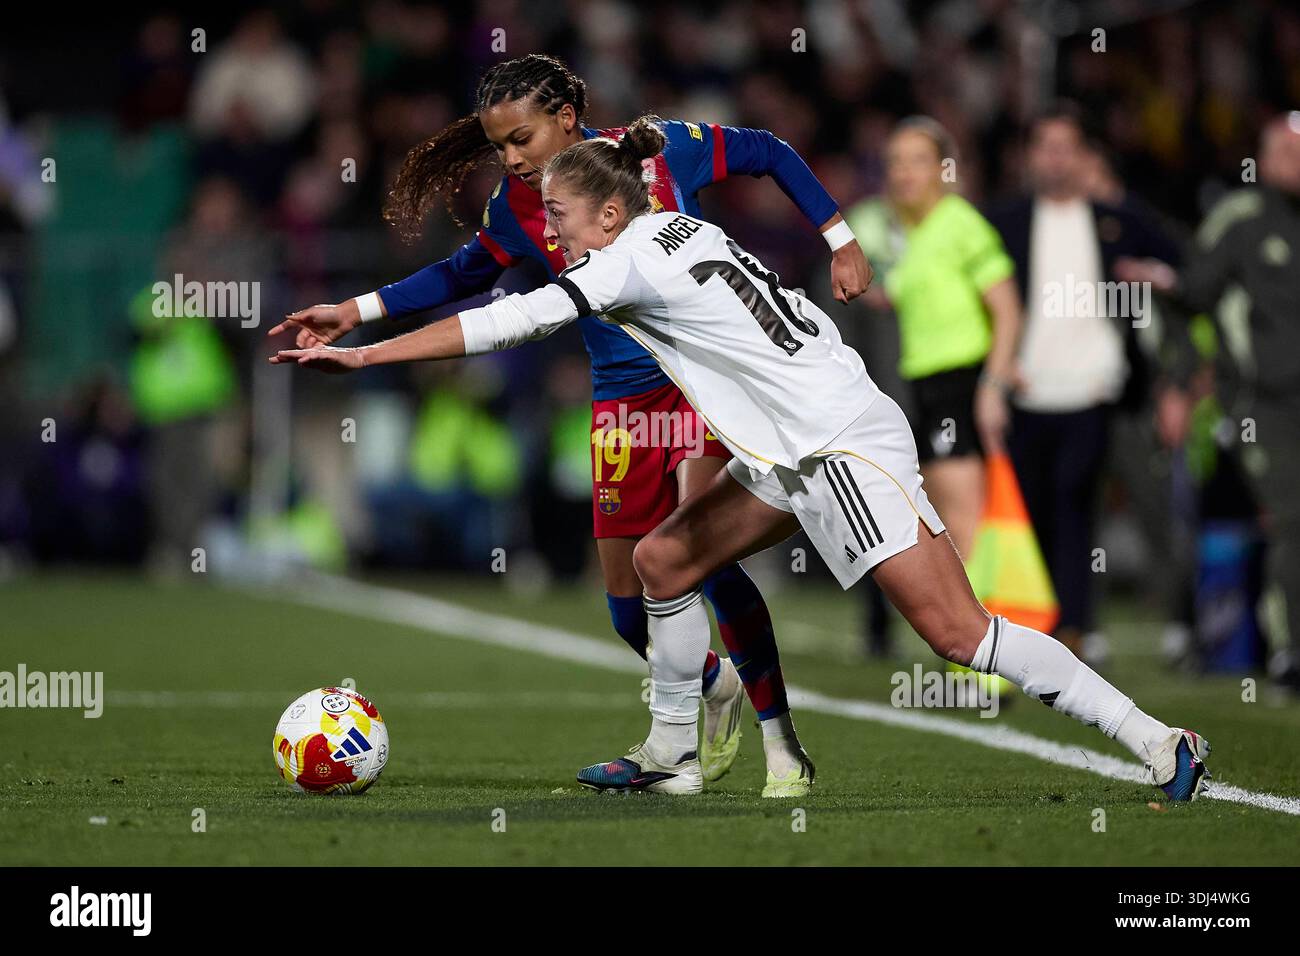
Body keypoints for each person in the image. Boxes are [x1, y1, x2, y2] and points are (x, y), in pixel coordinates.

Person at [273, 116, 1214, 804]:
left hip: (834, 444)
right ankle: (675, 750)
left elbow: (504, 321)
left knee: (958, 636)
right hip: (790, 441)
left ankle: (1158, 738)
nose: (547, 233)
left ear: (606, 214)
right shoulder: (678, 227)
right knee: (662, 561)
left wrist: (362, 351)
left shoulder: (621, 263)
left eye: (558, 213)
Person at [269, 54, 875, 795]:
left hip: (697, 385)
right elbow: (462, 276)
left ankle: (779, 743)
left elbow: (768, 151)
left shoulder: (655, 151)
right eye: (498, 146)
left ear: (566, 118)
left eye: (521, 139)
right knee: (629, 612)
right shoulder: (515, 208)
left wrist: (840, 239)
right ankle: (709, 687)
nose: (511, 159)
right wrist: (356, 312)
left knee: (700, 560)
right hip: (620, 403)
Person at [985, 103, 1182, 663]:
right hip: (1026, 388)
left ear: (1083, 154)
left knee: (1076, 508)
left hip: (1094, 391)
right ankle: (1031, 626)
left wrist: (1155, 278)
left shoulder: (1114, 219)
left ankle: (1078, 626)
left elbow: (1184, 265)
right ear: (1030, 155)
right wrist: (995, 373)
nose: (1056, 158)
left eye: (1067, 146)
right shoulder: (1006, 221)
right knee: (1029, 512)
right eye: (1045, 146)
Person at [1118, 111, 1300, 695]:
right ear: (1265, 158)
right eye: (1287, 152)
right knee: (1290, 520)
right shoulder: (1240, 221)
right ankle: (1285, 654)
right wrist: (1180, 381)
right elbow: (1193, 292)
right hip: (1259, 406)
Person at [846, 117, 1022, 559]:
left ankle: (979, 625)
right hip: (926, 385)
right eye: (896, 163)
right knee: (944, 516)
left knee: (964, 520)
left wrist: (993, 386)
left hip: (960, 382)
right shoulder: (912, 235)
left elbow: (1008, 308)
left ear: (944, 169)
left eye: (919, 161)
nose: (904, 172)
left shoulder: (959, 222)